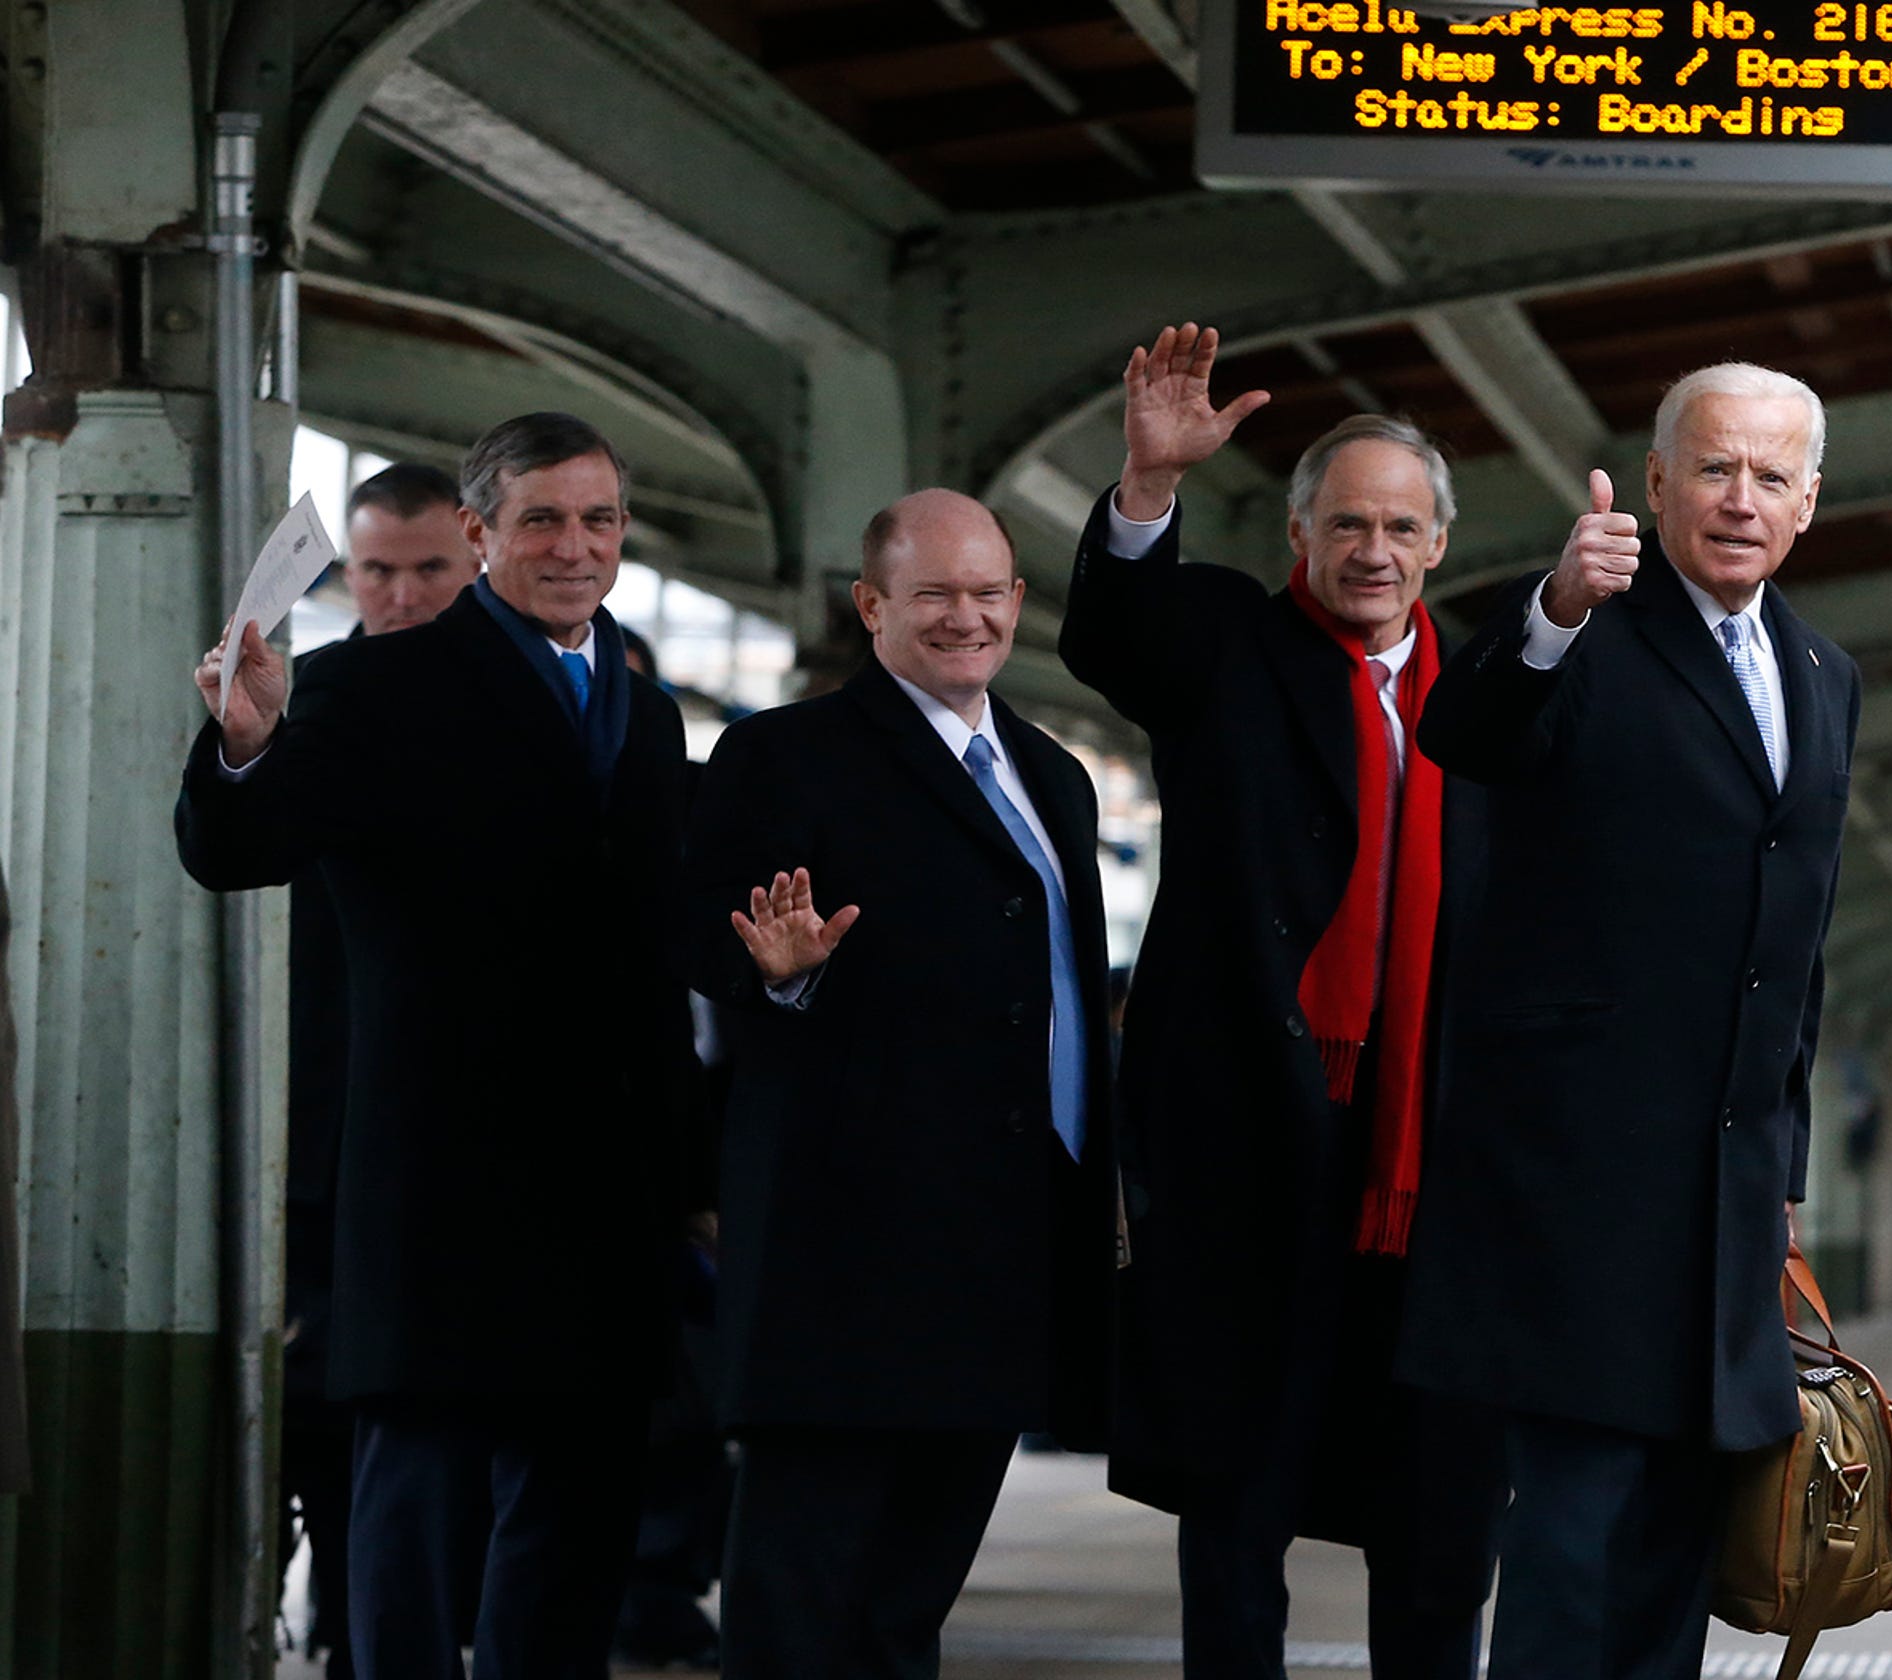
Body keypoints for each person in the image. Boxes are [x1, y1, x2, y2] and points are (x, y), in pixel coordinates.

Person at [176, 413, 698, 1679]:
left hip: (606, 1179)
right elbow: (237, 853)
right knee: (415, 1493)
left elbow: (656, 942)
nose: (574, 547)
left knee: (577, 1504)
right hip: (439, 1176)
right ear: (480, 533)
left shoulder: (649, 711)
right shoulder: (373, 685)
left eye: (599, 520)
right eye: (541, 520)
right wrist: (247, 745)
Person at [1059, 325, 1505, 1679]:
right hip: (1253, 1141)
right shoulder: (1224, 650)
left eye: (1402, 526)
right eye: (1347, 524)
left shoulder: (1493, 693)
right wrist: (1146, 486)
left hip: (1431, 1158)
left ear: (1438, 545)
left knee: (1438, 1499)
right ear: (1302, 534)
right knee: (1240, 1493)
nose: (1374, 550)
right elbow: (1113, 633)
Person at [1406, 362, 1860, 1680]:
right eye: (1712, 468)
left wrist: (1783, 1169)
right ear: (1655, 485)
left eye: (1771, 476)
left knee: (1676, 1543)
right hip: (1576, 1192)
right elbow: (1467, 731)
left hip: (1722, 1200)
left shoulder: (1824, 672)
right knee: (1571, 1539)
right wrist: (1554, 604)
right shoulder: (1584, 629)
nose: (1740, 498)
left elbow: (1801, 949)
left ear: (1809, 504)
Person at [683, 488, 1117, 1679]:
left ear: (1018, 604)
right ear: (873, 605)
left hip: (1002, 1253)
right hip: (848, 1262)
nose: (965, 618)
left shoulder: (1053, 775)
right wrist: (771, 972)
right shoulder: (782, 755)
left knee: (904, 1607)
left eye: (987, 593)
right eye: (933, 595)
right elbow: (702, 933)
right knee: (798, 1603)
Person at [280, 459, 482, 1680]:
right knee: (346, 1420)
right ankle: (363, 1639)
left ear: (474, 561)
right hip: (328, 1143)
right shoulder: (308, 704)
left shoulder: (546, 703)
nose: (401, 597)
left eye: (428, 573)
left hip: (463, 1147)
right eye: (376, 573)